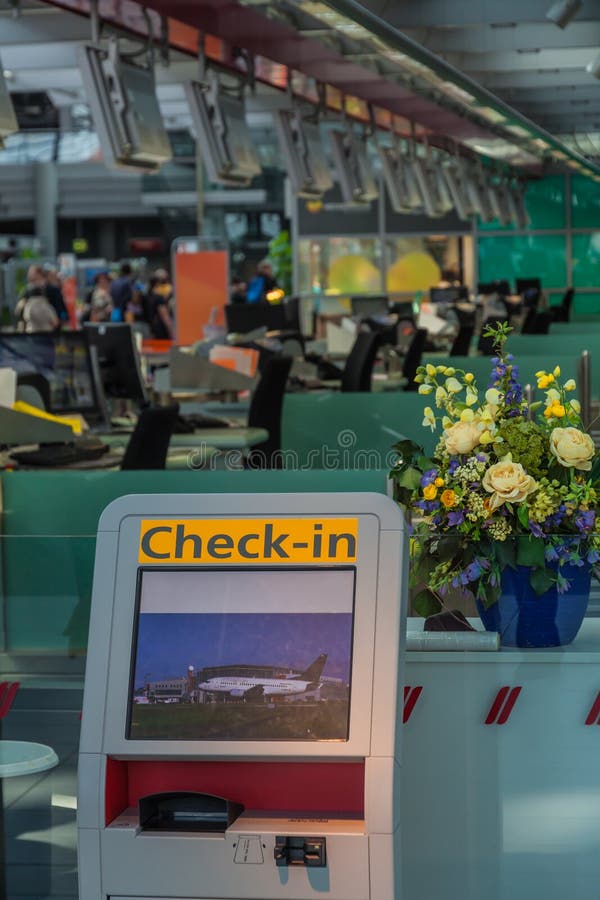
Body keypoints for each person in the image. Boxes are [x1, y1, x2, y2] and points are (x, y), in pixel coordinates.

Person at [145, 274, 174, 339]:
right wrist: (171, 332)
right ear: (157, 284)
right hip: (160, 329)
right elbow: (165, 316)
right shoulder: (158, 298)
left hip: (149, 330)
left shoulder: (146, 297)